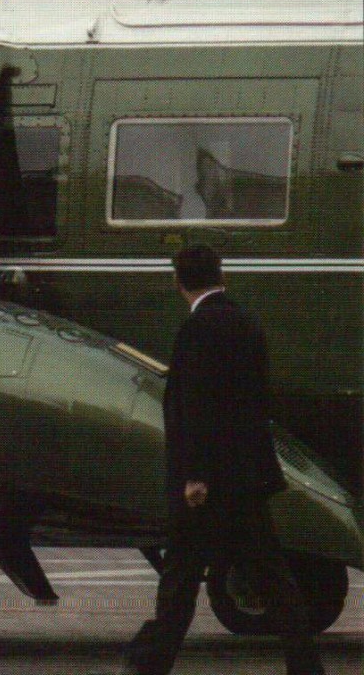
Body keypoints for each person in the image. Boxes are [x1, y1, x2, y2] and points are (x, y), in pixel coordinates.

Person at [120, 247, 324, 675]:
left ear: (178, 281)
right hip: (247, 476)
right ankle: (305, 664)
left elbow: (197, 406)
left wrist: (195, 475)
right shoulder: (246, 322)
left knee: (180, 577)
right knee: (274, 576)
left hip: (208, 483)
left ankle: (151, 664)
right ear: (221, 276)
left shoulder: (197, 329)